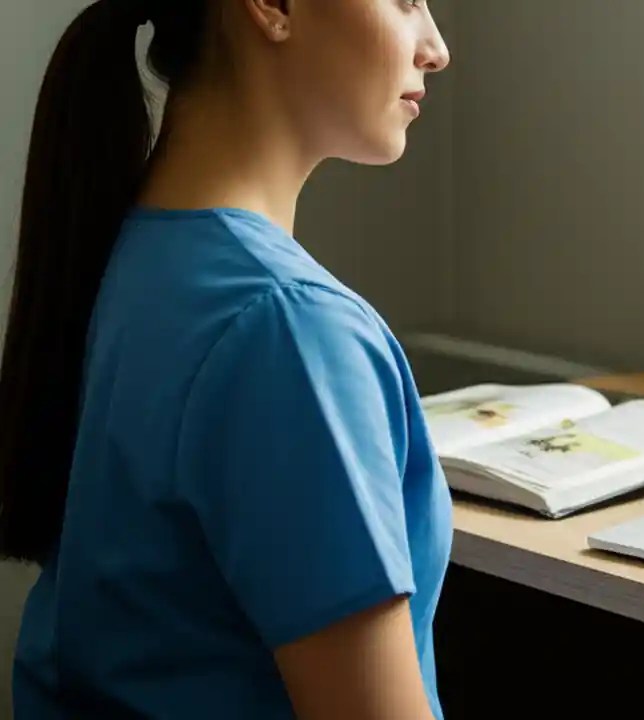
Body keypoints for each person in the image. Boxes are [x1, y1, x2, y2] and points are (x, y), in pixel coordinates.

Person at [0, 0, 451, 717]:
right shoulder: (288, 330)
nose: (435, 48)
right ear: (271, 6)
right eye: (403, 0)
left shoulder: (134, 254)